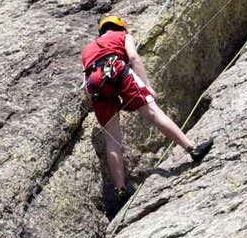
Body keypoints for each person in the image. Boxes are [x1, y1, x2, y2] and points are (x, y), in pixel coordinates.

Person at [82, 15, 213, 195]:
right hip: (117, 68)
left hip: (95, 84)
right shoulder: (123, 36)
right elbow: (134, 57)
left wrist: (104, 103)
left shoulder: (87, 50)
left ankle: (120, 190)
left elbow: (87, 83)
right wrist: (147, 86)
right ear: (121, 27)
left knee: (112, 140)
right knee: (153, 112)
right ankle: (192, 148)